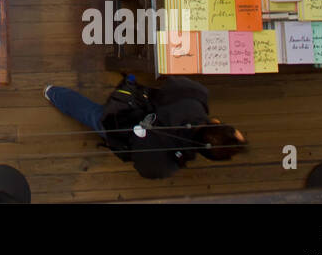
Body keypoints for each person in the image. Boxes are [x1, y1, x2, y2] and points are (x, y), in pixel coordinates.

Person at [44, 76, 247, 180]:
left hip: (128, 105)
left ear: (216, 123)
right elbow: (142, 167)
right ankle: (51, 93)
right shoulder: (167, 165)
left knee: (89, 111)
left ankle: (53, 92)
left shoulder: (194, 99)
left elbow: (172, 84)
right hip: (119, 132)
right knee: (90, 115)